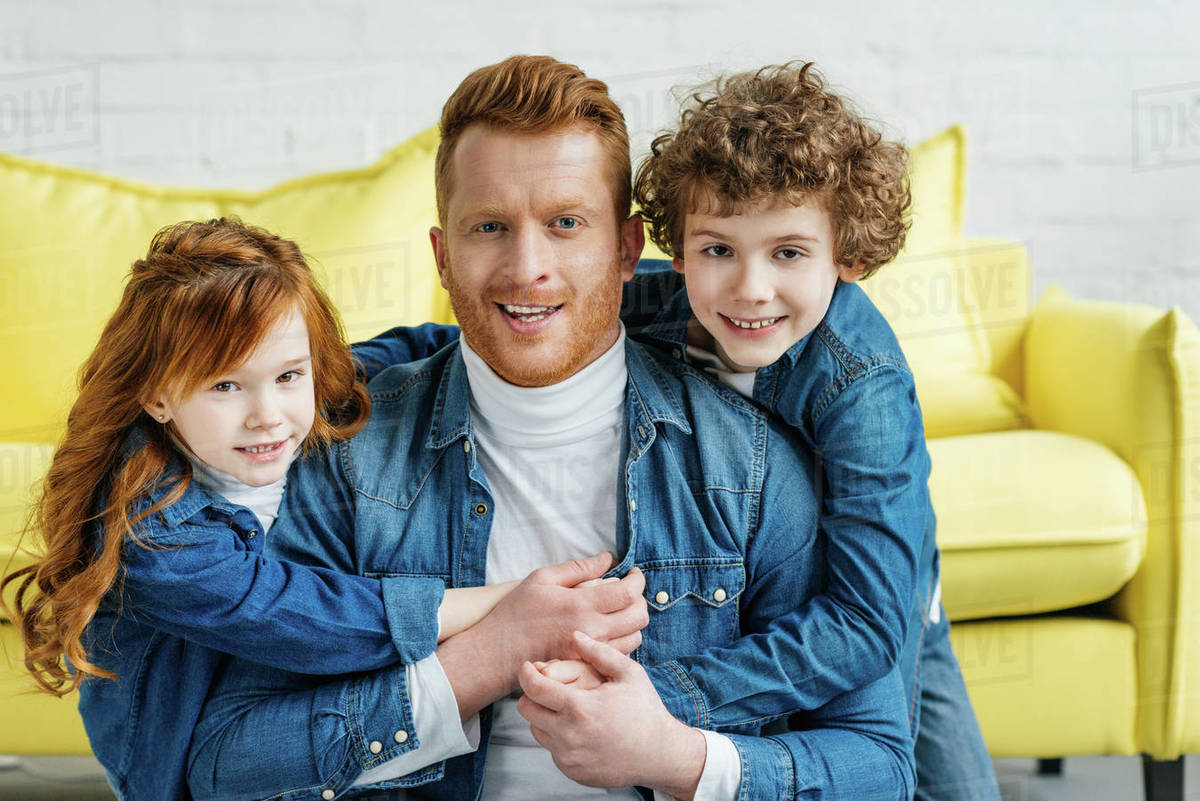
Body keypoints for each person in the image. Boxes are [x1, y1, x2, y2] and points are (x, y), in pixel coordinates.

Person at [184, 55, 915, 801]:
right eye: (490, 227)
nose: (527, 267)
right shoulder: (349, 455)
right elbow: (225, 762)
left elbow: (880, 766)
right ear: (443, 255)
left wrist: (677, 755)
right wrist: (486, 657)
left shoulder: (756, 461)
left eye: (566, 224)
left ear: (629, 249)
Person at [354, 62, 1002, 801]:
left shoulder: (862, 386)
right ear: (671, 247)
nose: (749, 287)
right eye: (718, 249)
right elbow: (474, 330)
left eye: (788, 253)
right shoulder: (657, 296)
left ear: (847, 256)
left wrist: (659, 705)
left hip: (887, 586)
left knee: (944, 780)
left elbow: (864, 625)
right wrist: (315, 373)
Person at [0, 218, 618, 800]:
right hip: (194, 759)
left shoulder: (316, 391)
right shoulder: (154, 528)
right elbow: (299, 614)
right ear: (158, 396)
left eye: (288, 376)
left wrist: (640, 296)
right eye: (225, 385)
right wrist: (505, 609)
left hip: (315, 709)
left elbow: (433, 347)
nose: (267, 413)